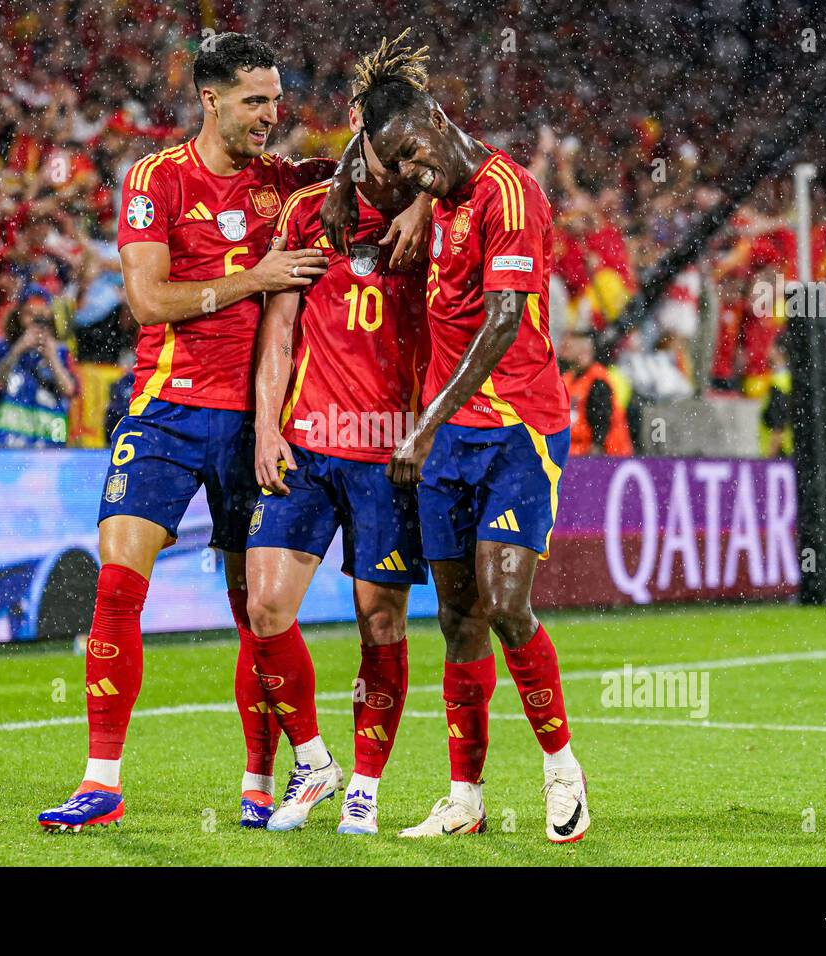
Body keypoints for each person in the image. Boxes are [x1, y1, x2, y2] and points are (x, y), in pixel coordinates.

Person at [37, 31, 430, 834]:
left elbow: (400, 159)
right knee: (118, 580)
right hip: (167, 409)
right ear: (210, 98)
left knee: (255, 609)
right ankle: (102, 779)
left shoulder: (284, 184)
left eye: (276, 101)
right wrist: (251, 278)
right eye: (256, 101)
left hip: (256, 424)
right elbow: (147, 300)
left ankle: (260, 780)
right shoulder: (156, 180)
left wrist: (424, 195)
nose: (272, 116)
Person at [323, 31, 589, 843]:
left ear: (440, 118)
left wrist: (423, 429)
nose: (409, 173)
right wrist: (346, 172)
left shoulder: (512, 195)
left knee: (508, 605)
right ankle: (465, 798)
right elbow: (379, 144)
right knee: (459, 620)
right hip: (448, 444)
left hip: (515, 432)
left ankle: (561, 770)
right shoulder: (429, 195)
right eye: (395, 165)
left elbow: (506, 321)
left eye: (414, 155)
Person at [245, 44, 431, 835]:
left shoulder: (442, 208)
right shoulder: (309, 208)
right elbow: (278, 330)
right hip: (310, 446)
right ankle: (315, 763)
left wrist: (424, 198)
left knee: (380, 624)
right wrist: (266, 425)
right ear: (356, 123)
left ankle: (367, 786)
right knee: (264, 607)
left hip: (390, 454)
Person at [0, 294, 78, 448]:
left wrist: (52, 359)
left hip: (50, 446)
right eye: (30, 314)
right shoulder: (0, 347)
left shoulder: (61, 352)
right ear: (19, 315)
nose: (36, 321)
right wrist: (18, 349)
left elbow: (70, 390)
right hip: (7, 444)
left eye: (42, 316)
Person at [563, 330, 631, 456]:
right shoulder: (568, 378)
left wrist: (597, 446)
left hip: (608, 452)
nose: (564, 350)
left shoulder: (597, 379)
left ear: (584, 352)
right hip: (577, 448)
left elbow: (602, 417)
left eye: (569, 347)